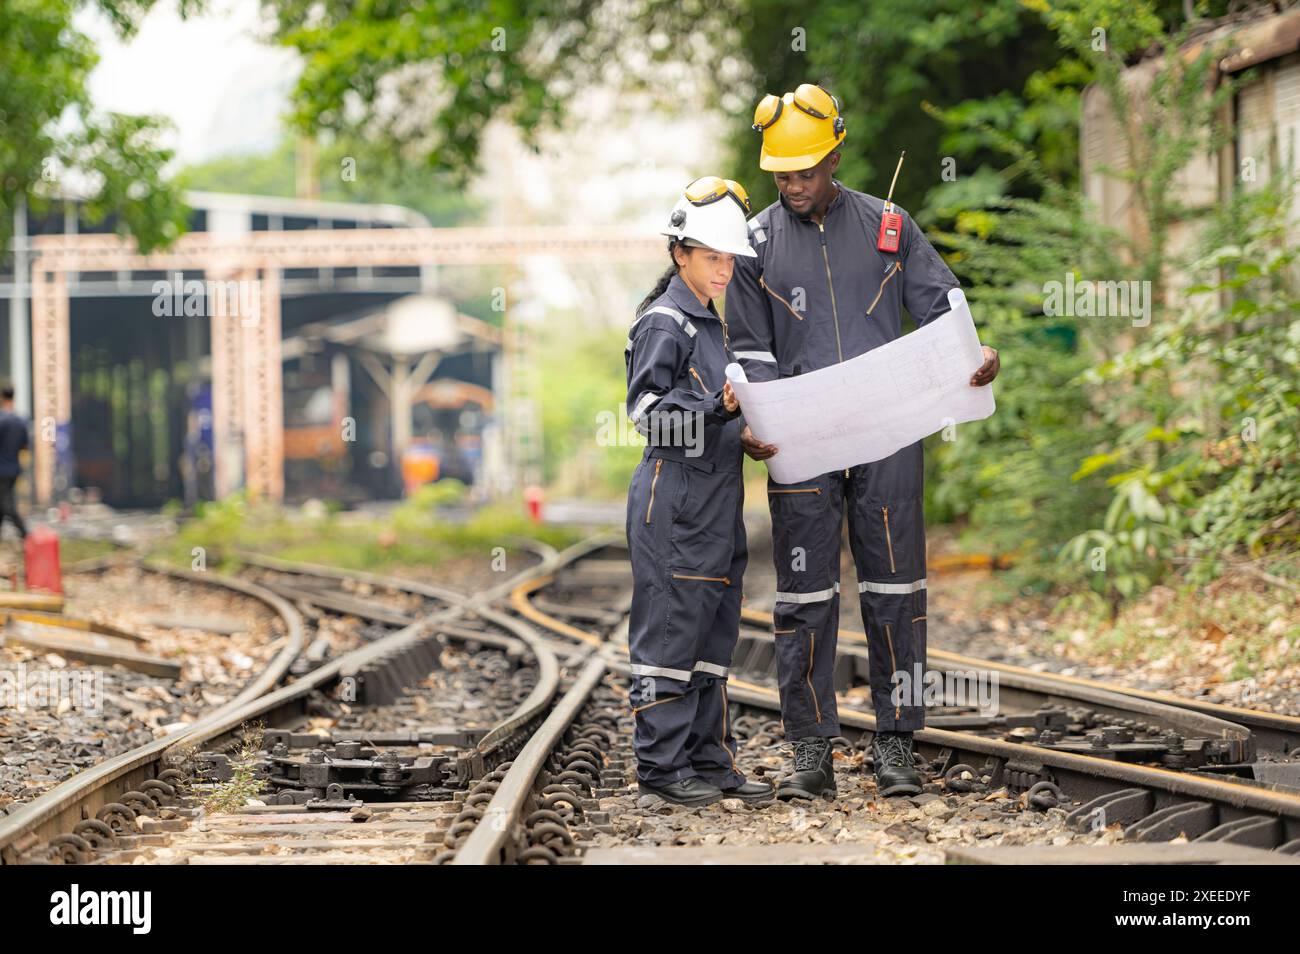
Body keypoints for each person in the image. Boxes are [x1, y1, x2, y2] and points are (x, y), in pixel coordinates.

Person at [726, 84, 1001, 800]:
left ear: (836, 155)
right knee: (804, 596)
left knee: (895, 589)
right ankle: (811, 750)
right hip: (802, 445)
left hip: (888, 439)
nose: (792, 185)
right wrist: (758, 420)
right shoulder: (753, 246)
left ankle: (896, 745)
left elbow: (944, 314)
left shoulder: (889, 226)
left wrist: (976, 355)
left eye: (805, 172)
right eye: (782, 174)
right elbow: (750, 349)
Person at [624, 177, 775, 807]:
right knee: (670, 630)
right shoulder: (666, 322)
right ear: (679, 252)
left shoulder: (711, 325)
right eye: (711, 256)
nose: (723, 268)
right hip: (675, 503)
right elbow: (647, 415)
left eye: (728, 257)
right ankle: (662, 766)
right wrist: (717, 408)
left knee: (713, 633)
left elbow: (713, 410)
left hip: (716, 502)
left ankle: (709, 759)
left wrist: (743, 431)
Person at [0, 384, 29, 542]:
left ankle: (27, 536)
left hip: (1, 470)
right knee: (2, 504)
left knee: (7, 506)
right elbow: (24, 446)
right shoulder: (20, 421)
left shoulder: (1, 420)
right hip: (14, 469)